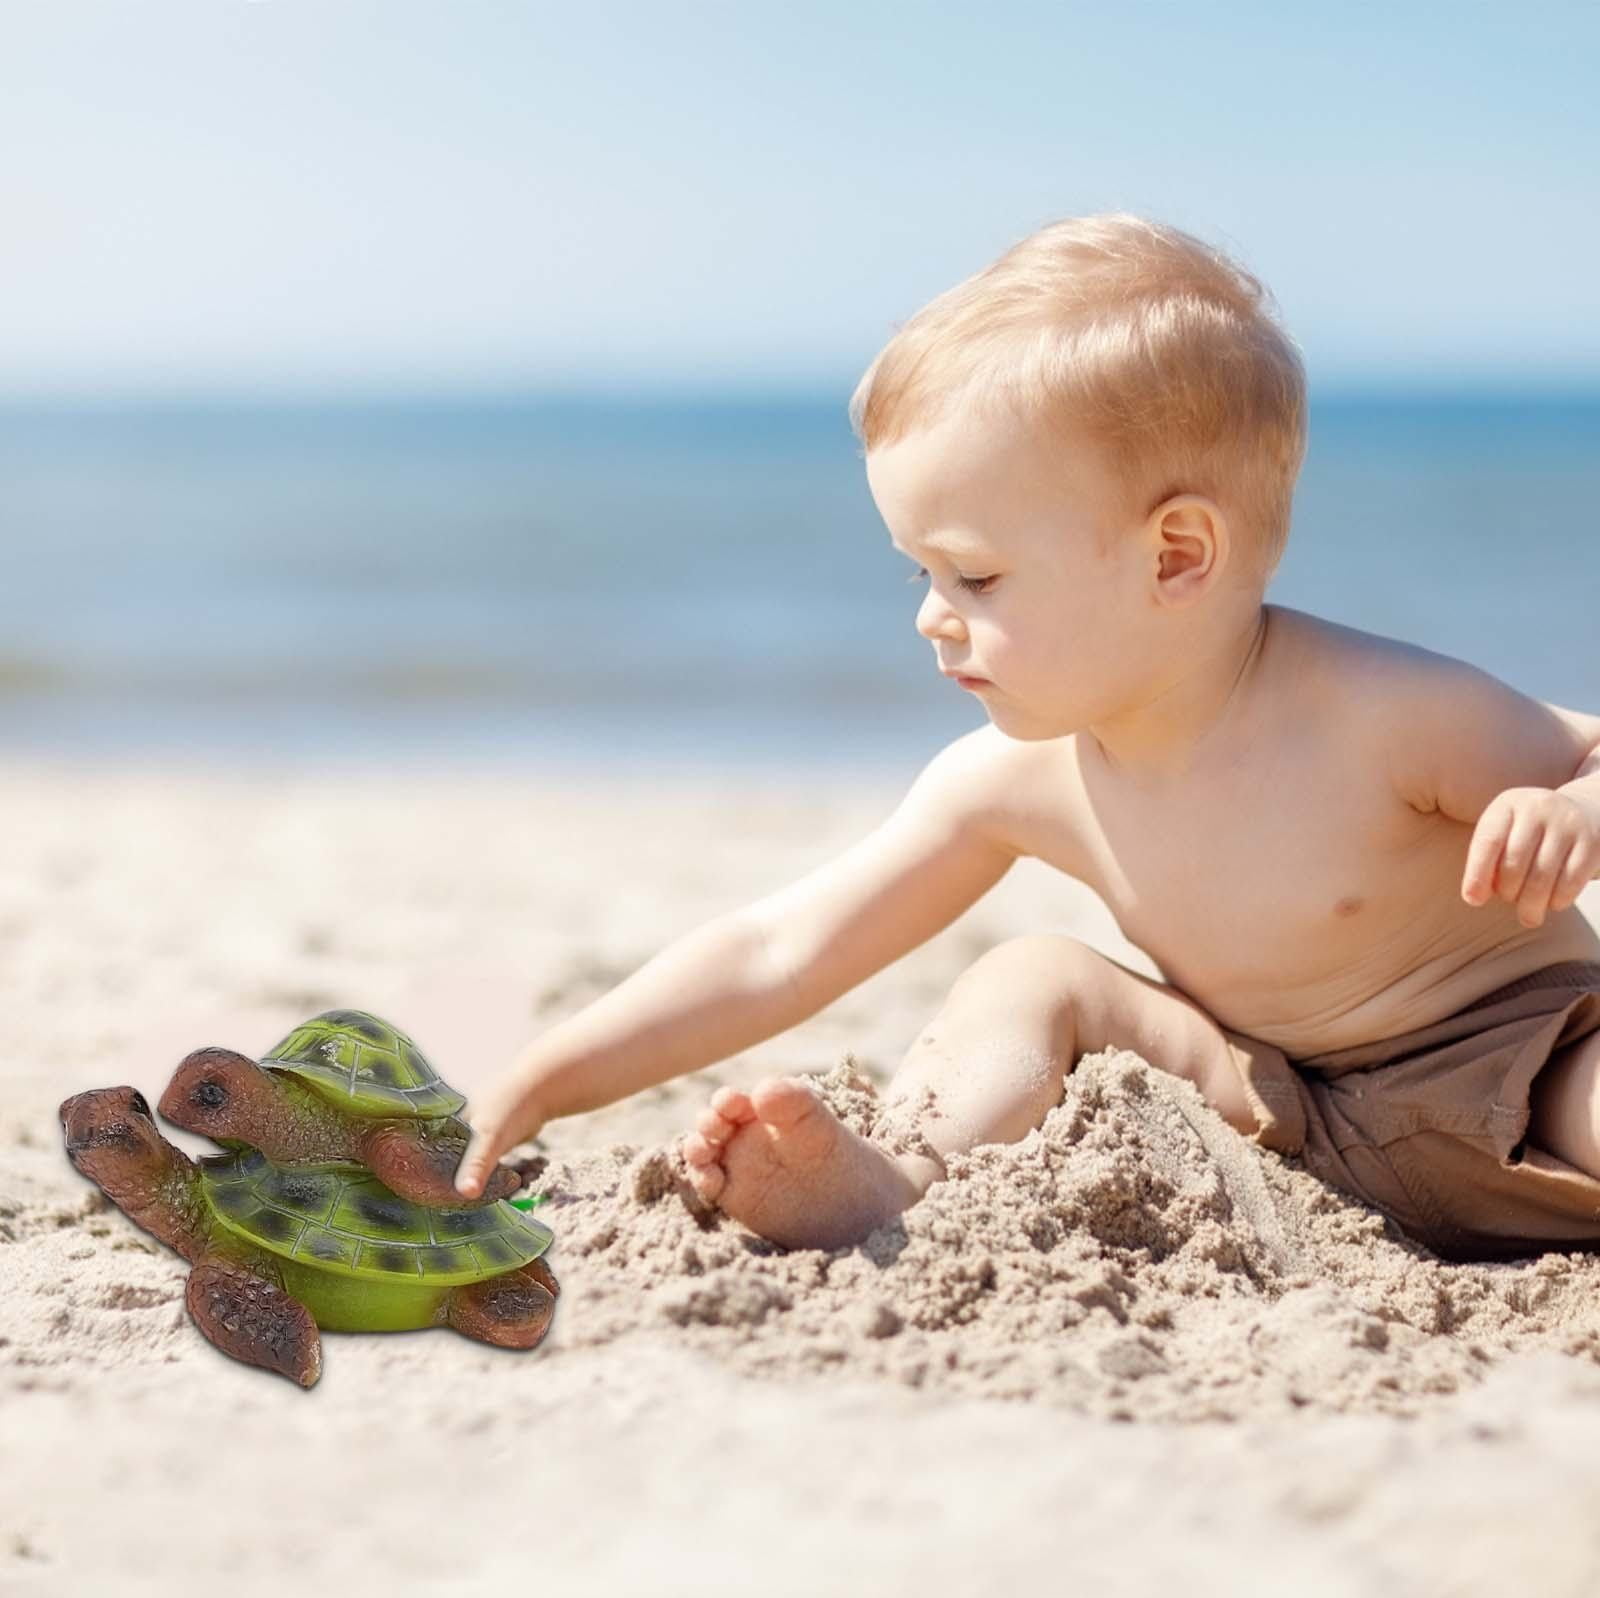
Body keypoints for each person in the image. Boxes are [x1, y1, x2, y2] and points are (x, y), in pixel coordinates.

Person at [453, 213, 1600, 1263]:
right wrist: (551, 1076)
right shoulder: (1012, 781)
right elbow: (777, 946)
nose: (928, 612)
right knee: (1034, 973)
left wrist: (1574, 810)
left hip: (1515, 1067)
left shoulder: (1379, 713)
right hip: (1274, 1107)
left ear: (1175, 558)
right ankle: (905, 1176)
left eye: (977, 574)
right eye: (921, 570)